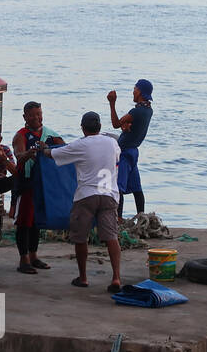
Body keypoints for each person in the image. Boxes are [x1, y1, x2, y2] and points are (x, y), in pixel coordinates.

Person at [44, 111, 123, 292]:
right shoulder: (112, 143)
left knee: (81, 238)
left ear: (83, 128)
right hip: (109, 195)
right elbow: (117, 150)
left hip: (86, 195)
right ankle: (116, 277)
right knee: (111, 237)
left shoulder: (80, 145)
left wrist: (42, 149)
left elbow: (53, 154)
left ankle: (83, 277)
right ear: (100, 127)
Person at [11, 101, 66, 274]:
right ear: (25, 117)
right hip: (26, 183)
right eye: (33, 115)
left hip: (42, 184)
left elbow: (64, 149)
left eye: (39, 114)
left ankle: (34, 256)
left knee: (36, 221)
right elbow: (18, 157)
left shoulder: (50, 135)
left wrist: (48, 149)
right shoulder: (21, 135)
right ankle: (23, 260)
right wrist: (30, 152)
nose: (37, 118)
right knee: (23, 223)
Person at [108, 79, 154, 219]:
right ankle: (142, 217)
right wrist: (126, 126)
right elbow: (130, 126)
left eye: (134, 89)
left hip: (125, 152)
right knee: (136, 188)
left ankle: (119, 219)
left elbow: (116, 124)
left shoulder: (136, 111)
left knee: (119, 187)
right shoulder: (148, 110)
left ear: (139, 91)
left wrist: (112, 103)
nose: (133, 92)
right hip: (133, 152)